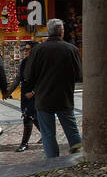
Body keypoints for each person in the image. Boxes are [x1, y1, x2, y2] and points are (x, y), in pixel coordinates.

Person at [14, 19, 84, 159]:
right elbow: (79, 76)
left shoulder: (38, 50)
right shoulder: (71, 49)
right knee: (71, 129)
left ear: (49, 31)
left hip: (43, 97)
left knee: (47, 133)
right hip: (64, 96)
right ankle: (78, 156)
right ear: (61, 31)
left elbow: (28, 75)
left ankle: (52, 161)